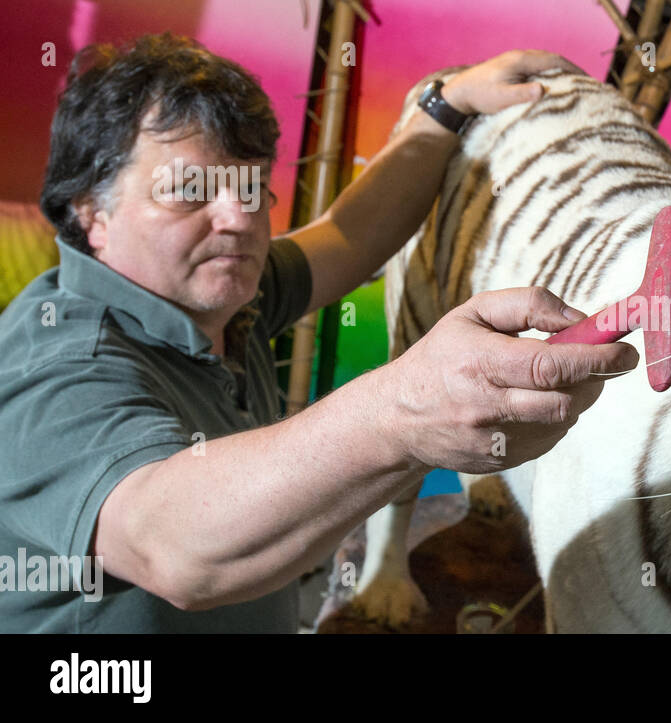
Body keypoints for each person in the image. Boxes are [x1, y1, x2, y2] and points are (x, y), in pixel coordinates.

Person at [0, 34, 637, 632]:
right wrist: (403, 413)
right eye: (190, 192)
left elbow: (348, 235)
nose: (238, 217)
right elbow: (176, 548)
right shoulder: (54, 365)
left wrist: (447, 104)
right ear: (92, 214)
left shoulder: (216, 297)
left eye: (249, 185)